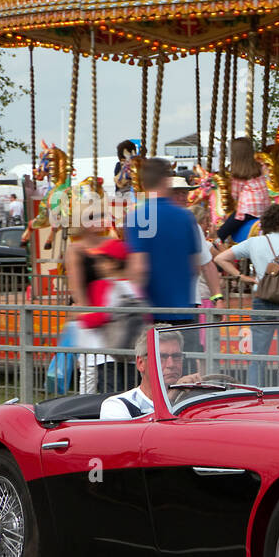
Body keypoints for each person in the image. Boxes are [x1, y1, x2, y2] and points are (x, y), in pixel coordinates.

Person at [213, 203, 279, 385]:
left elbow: (220, 258)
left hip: (261, 298)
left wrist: (242, 277)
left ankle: (254, 392)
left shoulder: (254, 242)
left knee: (258, 354)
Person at [125, 157, 207, 325]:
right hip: (183, 308)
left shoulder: (137, 217)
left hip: (150, 311)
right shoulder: (186, 217)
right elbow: (196, 267)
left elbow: (139, 268)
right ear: (166, 181)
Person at [78, 239, 144, 394]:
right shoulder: (134, 287)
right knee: (131, 394)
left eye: (102, 261)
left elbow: (98, 317)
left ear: (113, 263)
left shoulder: (103, 285)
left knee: (111, 396)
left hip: (108, 355)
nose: (98, 265)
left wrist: (82, 316)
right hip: (131, 355)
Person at [100, 327, 194, 419]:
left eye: (176, 356)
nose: (171, 364)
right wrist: (169, 400)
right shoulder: (117, 406)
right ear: (141, 363)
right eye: (161, 357)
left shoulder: (192, 402)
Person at [215, 137, 271, 245]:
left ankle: (215, 246)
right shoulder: (260, 166)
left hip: (248, 210)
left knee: (223, 231)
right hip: (264, 208)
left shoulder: (238, 173)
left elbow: (235, 195)